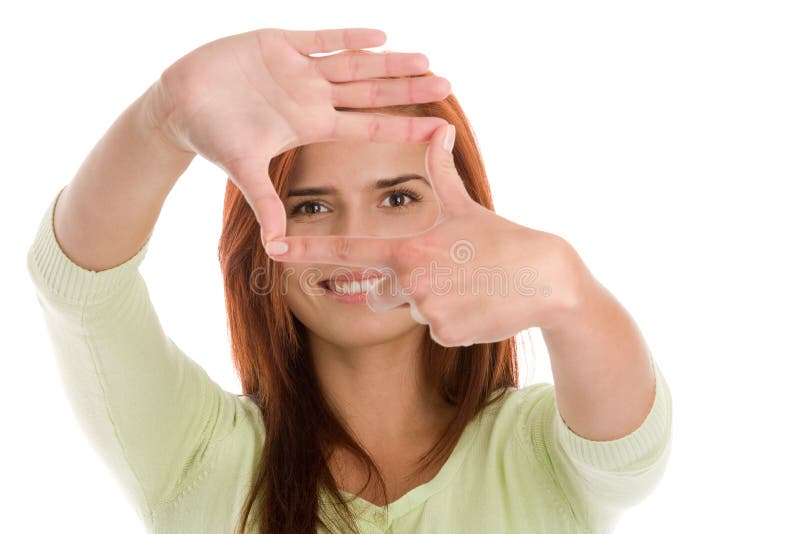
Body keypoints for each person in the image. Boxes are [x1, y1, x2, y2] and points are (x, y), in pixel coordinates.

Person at [26, 27, 672, 533]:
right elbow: (82, 287)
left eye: (397, 199)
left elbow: (628, 448)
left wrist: (571, 293)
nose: (358, 240)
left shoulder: (537, 442)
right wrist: (161, 119)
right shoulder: (195, 452)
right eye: (311, 206)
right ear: (258, 248)